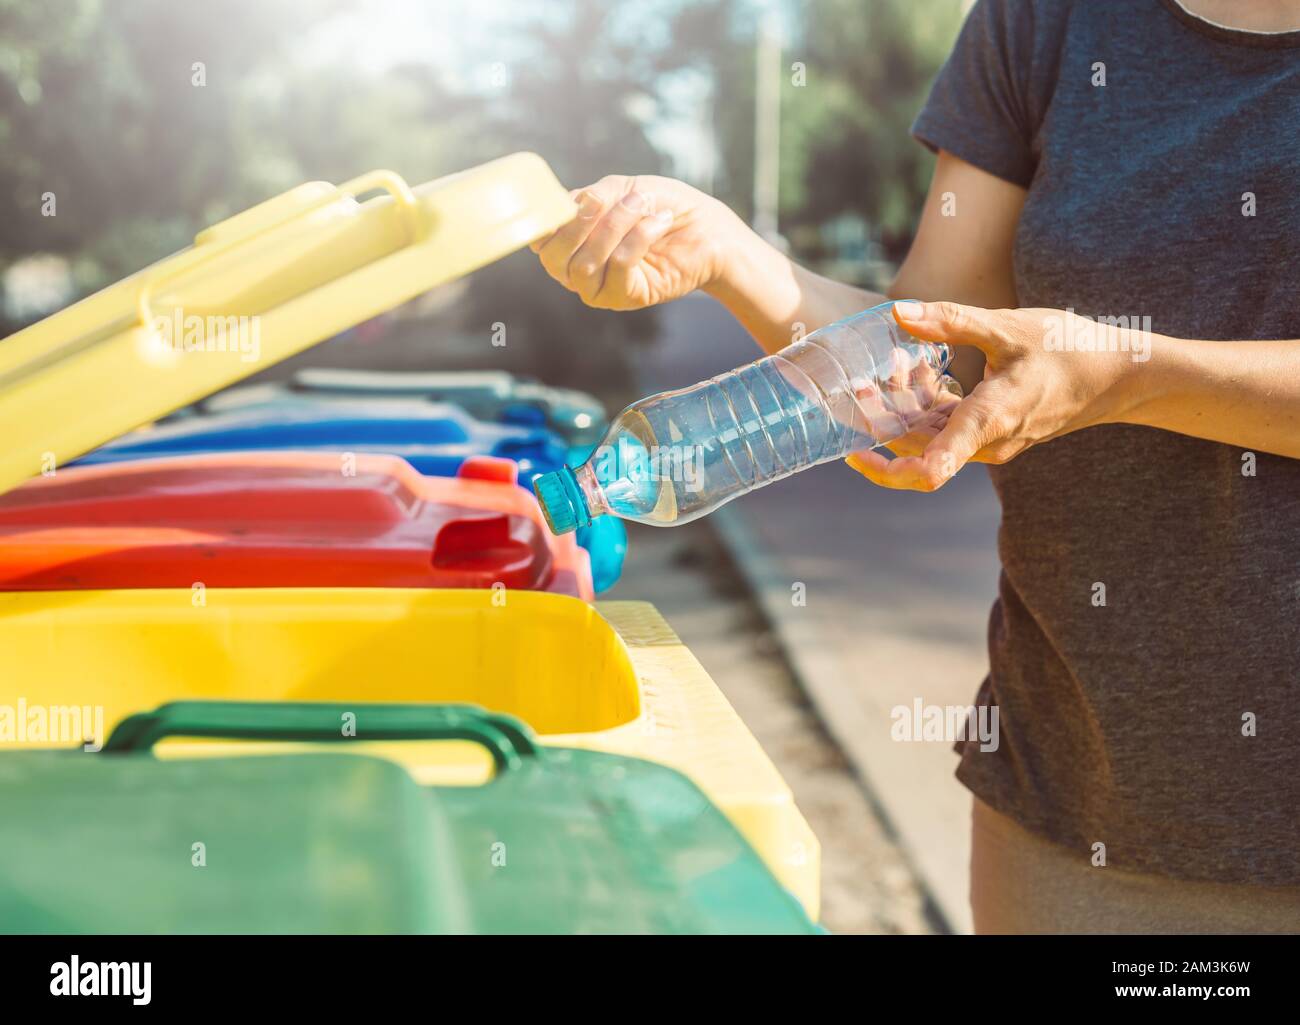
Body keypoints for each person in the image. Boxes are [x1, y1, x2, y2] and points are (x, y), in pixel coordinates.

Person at [530, 0, 1300, 933]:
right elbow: (937, 355)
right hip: (1075, 798)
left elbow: (1094, 371)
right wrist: (730, 254)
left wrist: (1134, 377)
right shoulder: (1044, 21)